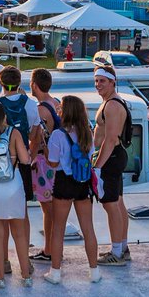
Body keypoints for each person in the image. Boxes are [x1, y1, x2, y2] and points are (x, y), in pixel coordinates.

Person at [44, 95, 100, 284]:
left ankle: (55, 273)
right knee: (88, 228)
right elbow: (90, 157)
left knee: (58, 229)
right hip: (83, 182)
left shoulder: (58, 135)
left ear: (65, 112)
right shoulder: (87, 133)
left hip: (64, 182)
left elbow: (53, 163)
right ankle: (94, 271)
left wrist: (45, 148)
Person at [0, 101, 33, 288]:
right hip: (14, 186)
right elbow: (25, 160)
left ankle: (0, 278)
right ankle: (26, 276)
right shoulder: (14, 133)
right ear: (4, 116)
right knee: (19, 234)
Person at [0, 66, 41, 271]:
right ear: (19, 82)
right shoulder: (30, 104)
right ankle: (25, 261)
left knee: (2, 214)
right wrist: (29, 155)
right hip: (22, 164)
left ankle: (4, 261)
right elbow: (35, 135)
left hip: (1, 164)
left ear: (1, 83)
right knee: (22, 213)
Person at [93, 66, 132, 266]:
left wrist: (98, 166)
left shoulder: (112, 105)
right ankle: (122, 248)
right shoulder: (110, 102)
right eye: (96, 80)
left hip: (111, 157)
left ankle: (116, 252)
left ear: (112, 82)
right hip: (113, 156)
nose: (98, 84)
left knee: (111, 206)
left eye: (102, 81)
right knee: (118, 203)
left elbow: (110, 139)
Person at [29, 68, 60, 261]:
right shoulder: (56, 103)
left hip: (43, 163)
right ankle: (55, 248)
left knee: (48, 210)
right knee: (53, 209)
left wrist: (28, 159)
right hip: (56, 163)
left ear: (34, 85)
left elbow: (37, 140)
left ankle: (49, 250)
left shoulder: (40, 109)